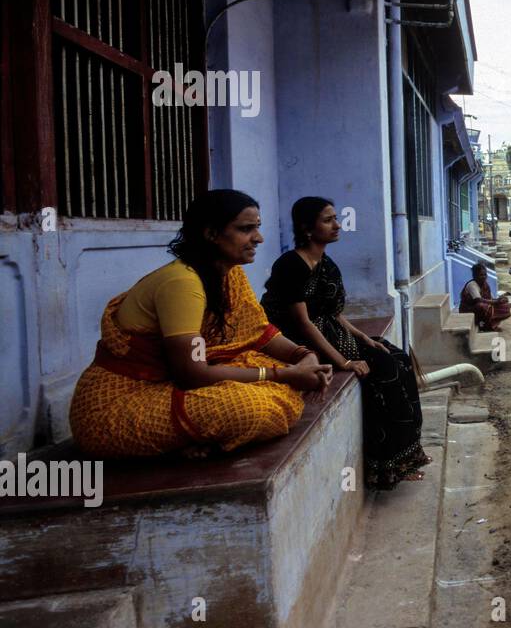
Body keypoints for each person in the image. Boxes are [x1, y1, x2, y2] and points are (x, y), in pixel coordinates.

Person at [69, 190, 332, 458]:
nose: (258, 238)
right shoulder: (183, 283)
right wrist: (286, 374)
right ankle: (185, 444)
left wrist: (304, 356)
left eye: (258, 228)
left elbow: (259, 333)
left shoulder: (229, 275)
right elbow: (191, 374)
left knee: (277, 383)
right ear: (211, 234)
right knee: (253, 408)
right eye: (246, 229)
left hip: (170, 385)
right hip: (118, 405)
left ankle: (195, 440)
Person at [261, 196, 431, 489]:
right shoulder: (292, 265)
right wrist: (344, 362)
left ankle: (408, 455)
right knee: (385, 369)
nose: (338, 225)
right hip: (300, 338)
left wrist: (365, 338)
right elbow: (303, 322)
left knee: (399, 358)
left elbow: (333, 314)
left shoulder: (324, 262)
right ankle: (385, 465)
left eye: (336, 218)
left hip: (329, 331)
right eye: (328, 220)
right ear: (307, 227)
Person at [459, 262, 511, 331]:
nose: (484, 277)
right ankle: (486, 326)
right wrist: (496, 302)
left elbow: (489, 298)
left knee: (505, 306)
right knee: (482, 306)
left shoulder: (485, 284)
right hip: (468, 309)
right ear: (475, 276)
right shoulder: (472, 285)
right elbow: (479, 300)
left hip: (482, 305)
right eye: (481, 275)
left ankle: (492, 324)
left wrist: (500, 300)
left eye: (485, 274)